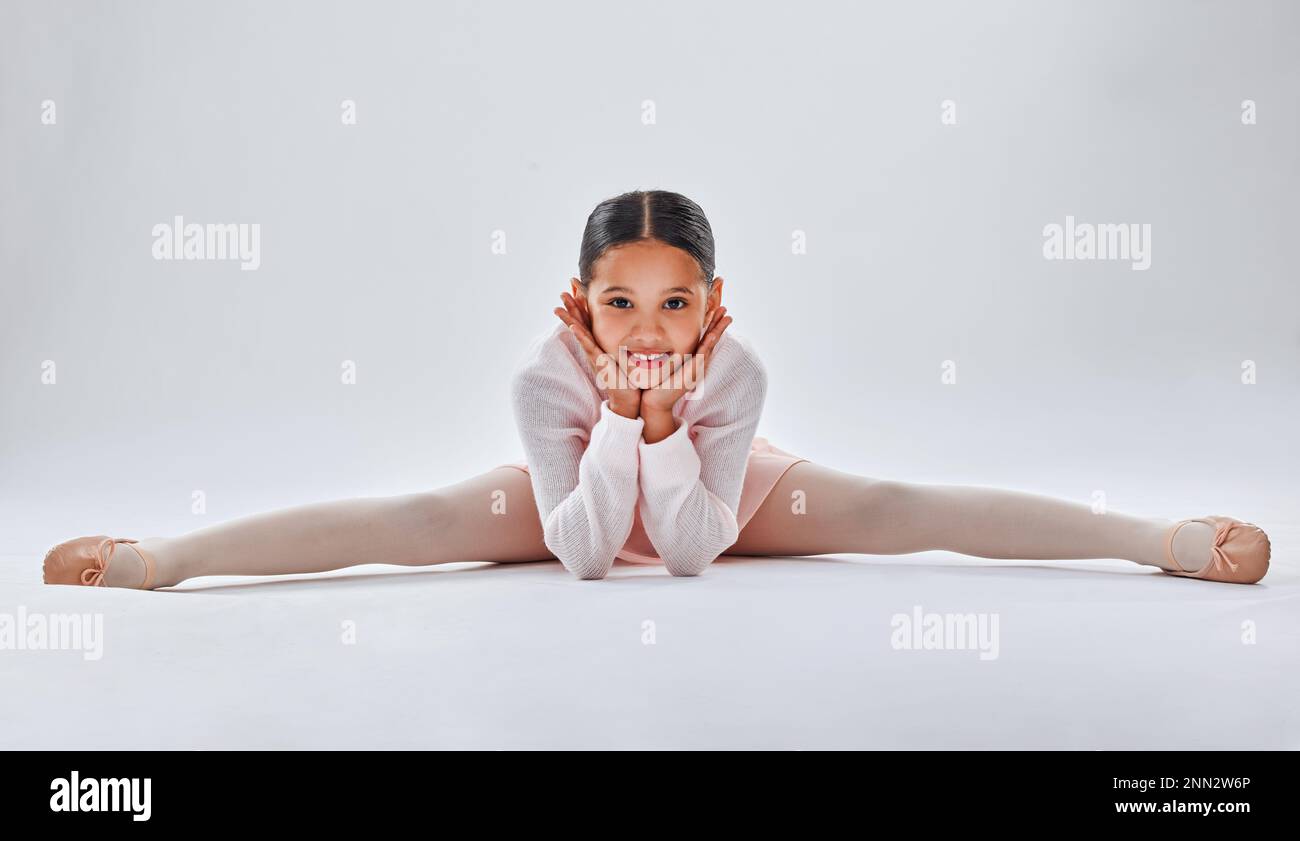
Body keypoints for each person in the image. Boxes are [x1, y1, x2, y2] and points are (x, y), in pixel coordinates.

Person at [42, 190, 1271, 589]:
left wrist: (670, 425)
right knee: (410, 525)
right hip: (575, 489)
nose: (645, 328)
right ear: (577, 306)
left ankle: (1150, 539)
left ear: (714, 305)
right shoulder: (544, 377)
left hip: (717, 490)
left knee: (902, 506)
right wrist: (618, 431)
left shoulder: (734, 372)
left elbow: (687, 551)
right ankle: (163, 559)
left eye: (674, 304)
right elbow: (585, 554)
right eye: (618, 304)